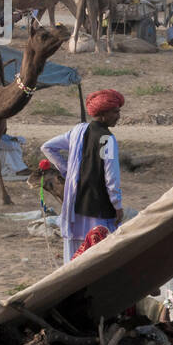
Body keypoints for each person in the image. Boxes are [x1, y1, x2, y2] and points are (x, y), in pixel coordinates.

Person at [41, 89, 126, 265]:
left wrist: (68, 170)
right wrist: (117, 205)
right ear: (103, 114)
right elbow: (111, 178)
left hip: (75, 205)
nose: (118, 116)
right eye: (115, 111)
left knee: (73, 258)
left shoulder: (78, 131)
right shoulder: (107, 139)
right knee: (97, 254)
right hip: (98, 208)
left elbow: (47, 147)